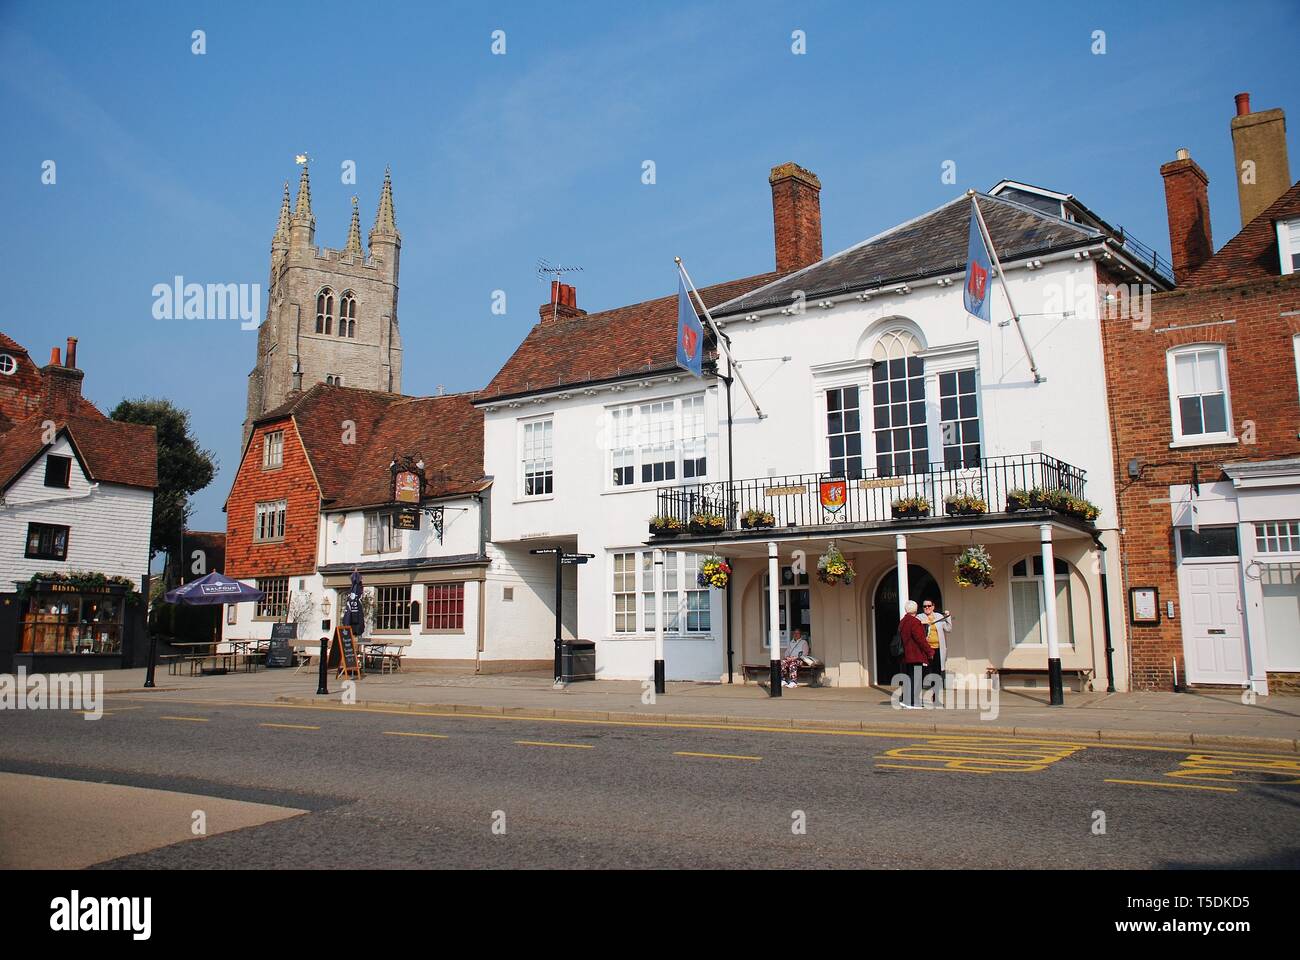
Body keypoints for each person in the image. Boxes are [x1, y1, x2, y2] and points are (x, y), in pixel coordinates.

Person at [897, 601, 930, 709]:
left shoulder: (903, 621)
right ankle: (911, 702)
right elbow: (920, 639)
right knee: (916, 678)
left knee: (910, 677)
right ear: (916, 610)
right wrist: (930, 651)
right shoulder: (914, 622)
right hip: (915, 654)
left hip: (906, 654)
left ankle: (907, 700)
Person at [919, 601, 951, 706]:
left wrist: (947, 617)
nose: (927, 608)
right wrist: (924, 624)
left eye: (929, 606)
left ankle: (936, 698)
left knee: (937, 674)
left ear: (933, 607)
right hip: (926, 650)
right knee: (925, 673)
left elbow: (948, 629)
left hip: (937, 649)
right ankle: (921, 698)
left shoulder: (938, 616)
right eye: (925, 606)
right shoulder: (920, 617)